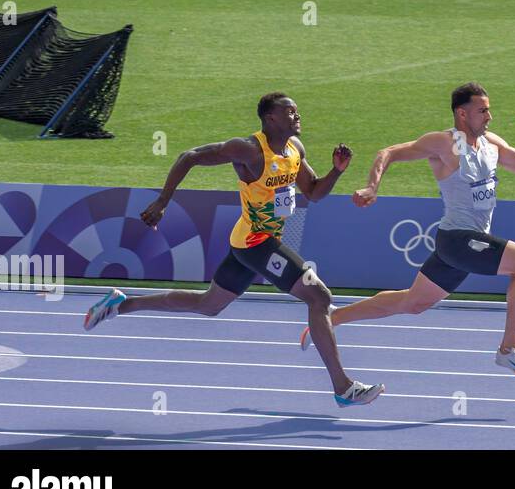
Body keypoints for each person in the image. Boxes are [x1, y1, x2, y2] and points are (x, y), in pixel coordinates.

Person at [83, 93, 384, 407]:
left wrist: (336, 171)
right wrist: (163, 200)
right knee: (319, 296)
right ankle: (343, 387)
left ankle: (120, 304)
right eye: (289, 111)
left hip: (249, 242)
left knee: (208, 305)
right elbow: (190, 155)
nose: (297, 115)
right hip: (256, 242)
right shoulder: (249, 150)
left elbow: (313, 193)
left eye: (297, 110)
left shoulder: (295, 149)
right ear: (271, 119)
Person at [301, 83, 515, 376]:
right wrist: (372, 186)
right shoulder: (444, 143)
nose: (489, 116)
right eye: (482, 110)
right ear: (462, 113)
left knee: (412, 303)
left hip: (460, 245)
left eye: (489, 110)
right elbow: (388, 152)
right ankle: (509, 349)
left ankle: (332, 317)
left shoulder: (491, 144)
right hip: (459, 239)